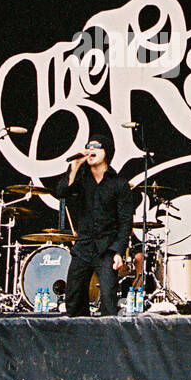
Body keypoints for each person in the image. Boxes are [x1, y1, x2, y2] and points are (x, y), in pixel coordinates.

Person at [52, 133, 135, 317]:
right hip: (83, 246)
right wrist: (74, 167)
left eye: (96, 146)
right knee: (73, 296)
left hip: (106, 248)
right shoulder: (81, 180)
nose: (91, 150)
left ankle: (108, 339)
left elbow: (125, 221)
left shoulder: (119, 183)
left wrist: (118, 251)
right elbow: (62, 191)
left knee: (108, 298)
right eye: (88, 146)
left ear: (107, 152)